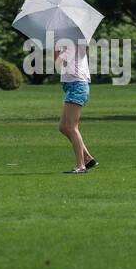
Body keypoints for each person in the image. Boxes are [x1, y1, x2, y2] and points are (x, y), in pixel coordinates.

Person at [54, 38, 96, 174]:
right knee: (63, 127)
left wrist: (54, 48)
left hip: (77, 86)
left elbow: (57, 62)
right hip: (72, 86)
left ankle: (81, 165)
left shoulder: (72, 44)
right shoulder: (73, 43)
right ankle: (88, 159)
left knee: (71, 127)